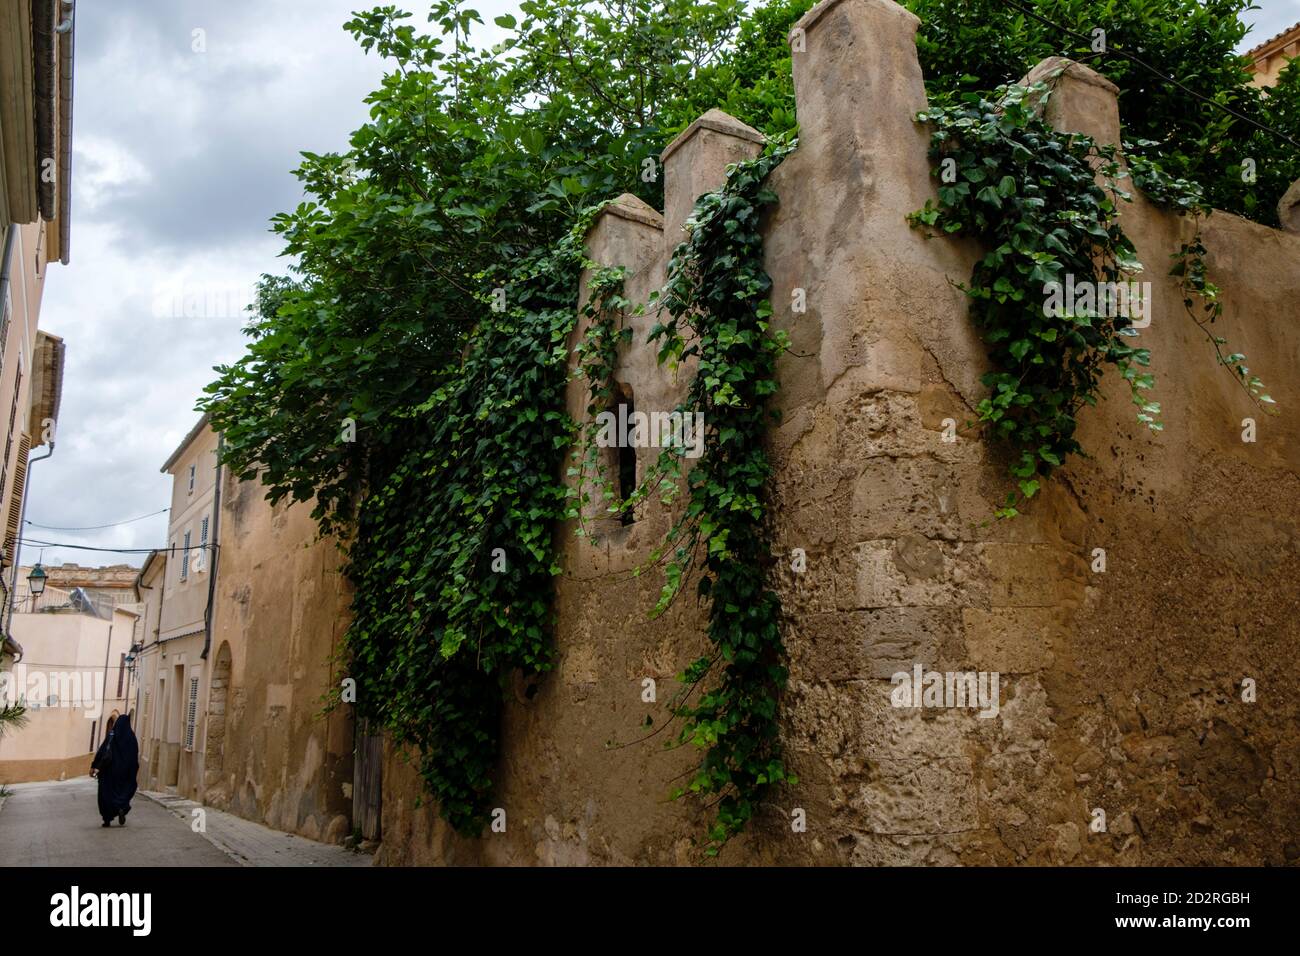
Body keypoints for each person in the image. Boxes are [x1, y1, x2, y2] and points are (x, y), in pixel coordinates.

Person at [90, 711, 139, 826]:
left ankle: (107, 819)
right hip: (125, 774)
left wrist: (94, 766)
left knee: (105, 793)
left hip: (109, 772)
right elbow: (134, 757)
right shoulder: (131, 738)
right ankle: (121, 807)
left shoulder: (112, 735)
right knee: (124, 790)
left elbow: (102, 751)